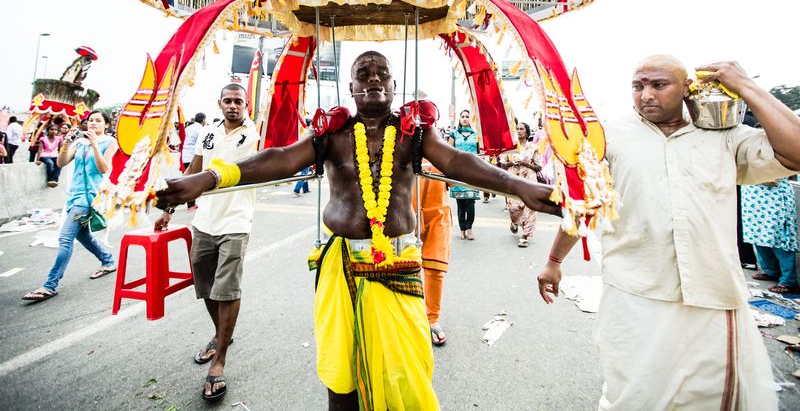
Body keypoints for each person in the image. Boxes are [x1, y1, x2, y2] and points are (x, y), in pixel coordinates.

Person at [156, 51, 560, 411]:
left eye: (381, 72)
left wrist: (521, 185)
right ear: (350, 86)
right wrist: (210, 178)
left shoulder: (414, 133)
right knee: (341, 372)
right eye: (362, 72)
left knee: (406, 371)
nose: (372, 78)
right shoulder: (331, 134)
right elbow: (279, 159)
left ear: (394, 85)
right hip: (342, 265)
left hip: (398, 263)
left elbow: (456, 161)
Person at [537, 56, 800, 411]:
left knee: (710, 401)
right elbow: (585, 204)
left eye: (658, 85)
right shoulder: (608, 138)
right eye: (638, 85)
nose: (646, 95)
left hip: (713, 295)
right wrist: (554, 261)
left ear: (686, 89)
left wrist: (746, 86)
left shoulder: (725, 135)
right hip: (635, 293)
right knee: (633, 398)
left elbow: (795, 152)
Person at [155, 84, 258, 402]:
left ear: (246, 105)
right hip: (204, 222)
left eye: (238, 101)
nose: (232, 106)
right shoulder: (208, 132)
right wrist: (168, 207)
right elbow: (193, 171)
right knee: (206, 286)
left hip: (236, 222)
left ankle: (219, 361)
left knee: (226, 289)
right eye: (227, 101)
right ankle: (220, 335)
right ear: (219, 103)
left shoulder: (254, 134)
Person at [22, 110, 119, 303]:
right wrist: (66, 144)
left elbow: (104, 169)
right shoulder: (80, 143)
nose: (93, 124)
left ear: (106, 125)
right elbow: (61, 162)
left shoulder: (110, 142)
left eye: (98, 121)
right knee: (83, 236)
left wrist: (94, 145)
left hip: (89, 197)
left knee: (65, 238)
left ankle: (50, 285)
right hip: (73, 196)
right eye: (91, 120)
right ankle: (107, 261)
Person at [413, 162, 453, 346]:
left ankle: (432, 319)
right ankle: (408, 318)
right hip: (404, 214)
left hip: (438, 215)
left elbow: (455, 179)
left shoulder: (436, 141)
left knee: (435, 269)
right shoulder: (391, 138)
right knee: (403, 269)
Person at [742, 177, 799, 294]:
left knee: (780, 237)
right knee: (757, 234)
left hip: (775, 193)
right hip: (754, 193)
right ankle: (771, 271)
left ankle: (789, 281)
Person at [498, 122, 544, 248]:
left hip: (529, 181)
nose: (519, 131)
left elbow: (539, 166)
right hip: (513, 180)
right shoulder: (510, 147)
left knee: (530, 208)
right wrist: (511, 163)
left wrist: (525, 163)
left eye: (522, 129)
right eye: (517, 129)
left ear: (527, 131)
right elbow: (502, 164)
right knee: (514, 207)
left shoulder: (533, 148)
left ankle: (525, 235)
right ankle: (514, 221)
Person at [448, 109, 481, 240]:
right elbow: (449, 151)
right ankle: (462, 229)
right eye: (463, 116)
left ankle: (469, 228)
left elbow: (480, 152)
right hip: (458, 172)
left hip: (473, 171)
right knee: (460, 202)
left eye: (467, 116)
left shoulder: (476, 135)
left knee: (471, 202)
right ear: (460, 119)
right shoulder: (454, 134)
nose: (465, 118)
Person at [181, 112, 207, 211]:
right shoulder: (201, 129)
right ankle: (192, 204)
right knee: (196, 180)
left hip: (185, 156)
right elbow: (201, 144)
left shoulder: (187, 128)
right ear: (203, 120)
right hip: (194, 156)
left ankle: (190, 203)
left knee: (187, 179)